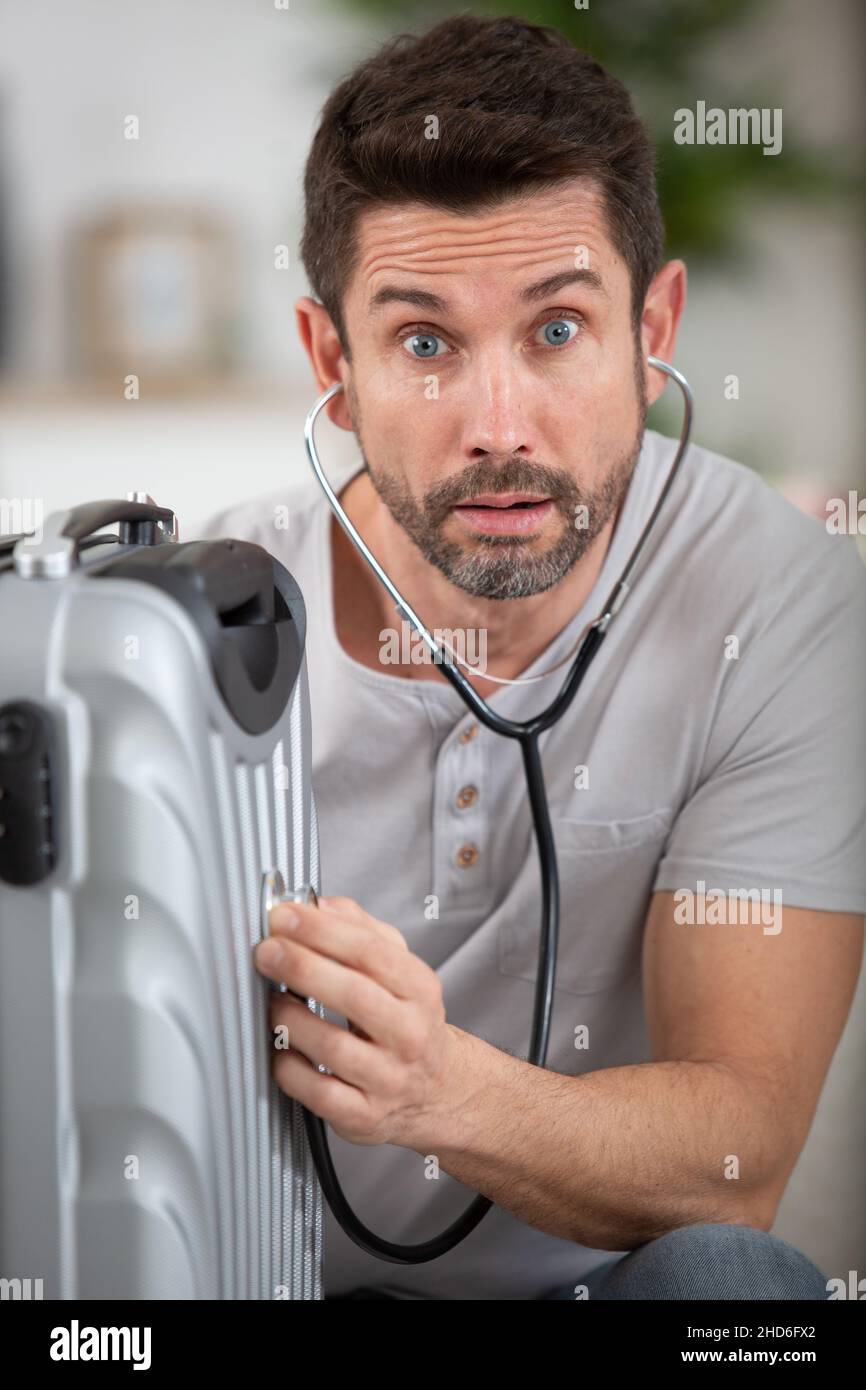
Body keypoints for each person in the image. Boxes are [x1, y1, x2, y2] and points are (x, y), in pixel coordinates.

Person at [188, 15, 865, 1300]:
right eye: (425, 343)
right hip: (266, 1288)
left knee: (731, 1279)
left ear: (649, 323)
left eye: (556, 330)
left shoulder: (777, 599)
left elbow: (734, 1160)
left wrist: (438, 1090)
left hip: (595, 1296)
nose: (498, 428)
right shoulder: (190, 621)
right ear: (332, 360)